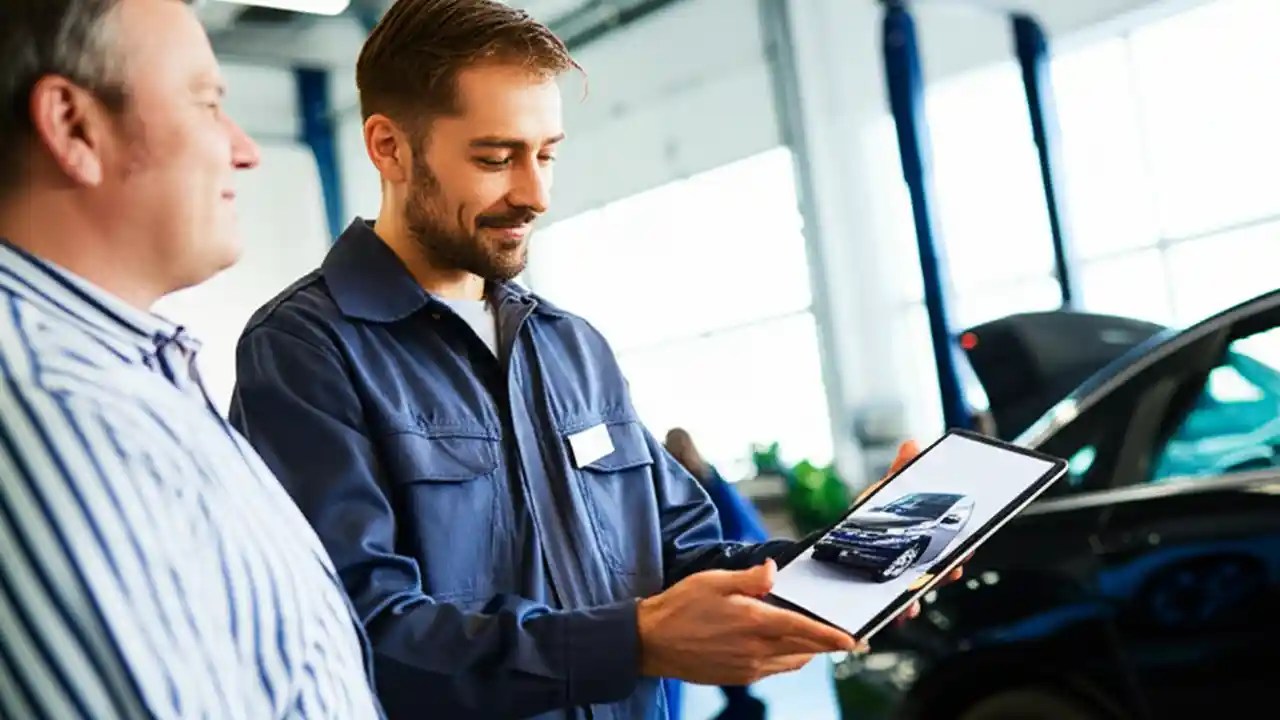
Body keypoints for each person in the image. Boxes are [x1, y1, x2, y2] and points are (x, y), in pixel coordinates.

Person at [227, 1, 959, 718]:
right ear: (389, 147)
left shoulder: (571, 347)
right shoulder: (305, 350)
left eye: (546, 154)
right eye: (495, 158)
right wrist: (633, 642)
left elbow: (684, 556)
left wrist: (842, 566)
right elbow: (360, 629)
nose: (535, 193)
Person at [0, 1, 384, 718]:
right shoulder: (55, 404)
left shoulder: (129, 376)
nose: (245, 150)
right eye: (207, 104)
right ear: (73, 127)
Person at [664, 428, 773, 720]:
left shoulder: (682, 482)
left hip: (702, 570)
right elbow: (740, 521)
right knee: (722, 637)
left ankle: (741, 700)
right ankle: (741, 698)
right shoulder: (708, 479)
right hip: (718, 568)